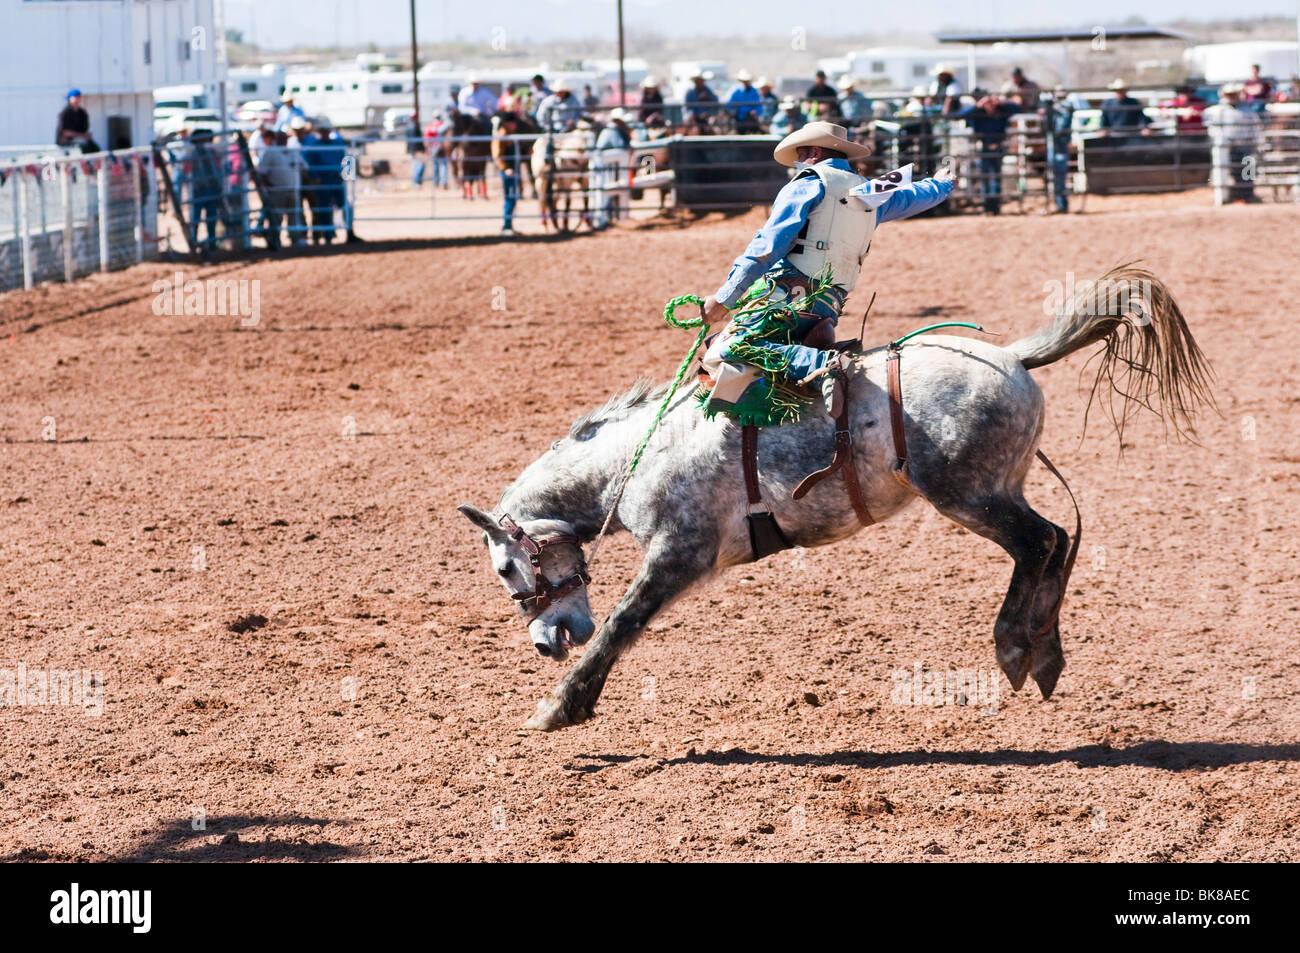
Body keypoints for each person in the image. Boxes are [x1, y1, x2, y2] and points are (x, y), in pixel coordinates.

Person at [698, 121, 955, 423]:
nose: (798, 164)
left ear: (815, 152)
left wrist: (725, 298)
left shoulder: (809, 183)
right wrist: (942, 184)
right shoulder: (870, 192)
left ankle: (819, 364)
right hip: (826, 308)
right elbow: (914, 195)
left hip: (785, 299)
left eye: (801, 156)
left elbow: (766, 246)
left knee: (728, 348)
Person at [954, 93, 1018, 214]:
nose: (991, 106)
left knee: (995, 178)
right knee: (985, 178)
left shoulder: (1002, 110)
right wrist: (978, 105)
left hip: (998, 146)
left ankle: (995, 207)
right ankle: (987, 206)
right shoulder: (978, 113)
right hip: (984, 147)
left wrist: (1002, 102)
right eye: (988, 103)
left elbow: (1017, 108)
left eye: (992, 103)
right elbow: (961, 115)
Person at [1204, 84, 1262, 203]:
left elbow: (1255, 127)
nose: (1232, 97)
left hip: (1245, 145)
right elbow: (1212, 128)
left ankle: (1247, 195)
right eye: (1230, 94)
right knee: (1226, 171)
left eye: (1234, 94)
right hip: (1227, 146)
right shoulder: (1218, 111)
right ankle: (1229, 196)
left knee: (1247, 171)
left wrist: (1255, 143)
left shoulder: (1247, 110)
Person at [256, 131, 308, 250]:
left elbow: (304, 166)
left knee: (294, 216)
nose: (283, 140)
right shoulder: (270, 152)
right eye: (281, 138)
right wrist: (269, 186)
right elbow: (262, 172)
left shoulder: (293, 152)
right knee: (276, 217)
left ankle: (294, 239)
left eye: (285, 138)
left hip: (292, 189)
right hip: (277, 190)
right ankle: (275, 241)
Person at [182, 129, 224, 252]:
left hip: (210, 188)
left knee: (211, 218)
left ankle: (211, 242)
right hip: (199, 190)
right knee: (196, 218)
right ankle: (194, 242)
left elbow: (216, 169)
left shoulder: (210, 152)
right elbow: (189, 172)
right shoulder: (193, 154)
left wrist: (217, 184)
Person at [305, 118, 345, 243]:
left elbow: (347, 159)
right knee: (324, 208)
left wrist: (347, 176)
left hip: (336, 179)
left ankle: (349, 231)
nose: (325, 133)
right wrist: (316, 177)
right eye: (323, 131)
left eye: (326, 130)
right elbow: (310, 164)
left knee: (343, 205)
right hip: (323, 180)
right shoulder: (316, 146)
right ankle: (328, 234)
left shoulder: (337, 144)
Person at [590, 108, 632, 229]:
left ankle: (603, 219)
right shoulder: (612, 130)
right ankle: (600, 221)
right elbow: (620, 146)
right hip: (602, 165)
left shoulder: (610, 129)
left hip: (604, 164)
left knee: (603, 191)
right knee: (602, 192)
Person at [1041, 87, 1074, 214]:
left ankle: (1062, 205)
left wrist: (1050, 110)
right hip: (1053, 145)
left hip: (1059, 145)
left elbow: (1059, 129)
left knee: (1059, 174)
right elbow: (1046, 127)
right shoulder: (1055, 110)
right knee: (1053, 175)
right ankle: (1057, 204)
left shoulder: (1065, 108)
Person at [491, 110, 525, 235]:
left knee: (512, 198)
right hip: (508, 171)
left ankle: (509, 225)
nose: (515, 125)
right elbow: (497, 155)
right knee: (510, 198)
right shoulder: (502, 135)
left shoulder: (509, 134)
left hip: (512, 170)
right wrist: (505, 168)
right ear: (507, 123)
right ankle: (506, 226)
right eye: (513, 123)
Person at [424, 113, 450, 189]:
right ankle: (444, 182)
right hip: (441, 147)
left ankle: (436, 182)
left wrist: (428, 148)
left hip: (433, 147)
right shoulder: (443, 125)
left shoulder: (430, 126)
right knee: (443, 165)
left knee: (435, 165)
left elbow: (426, 138)